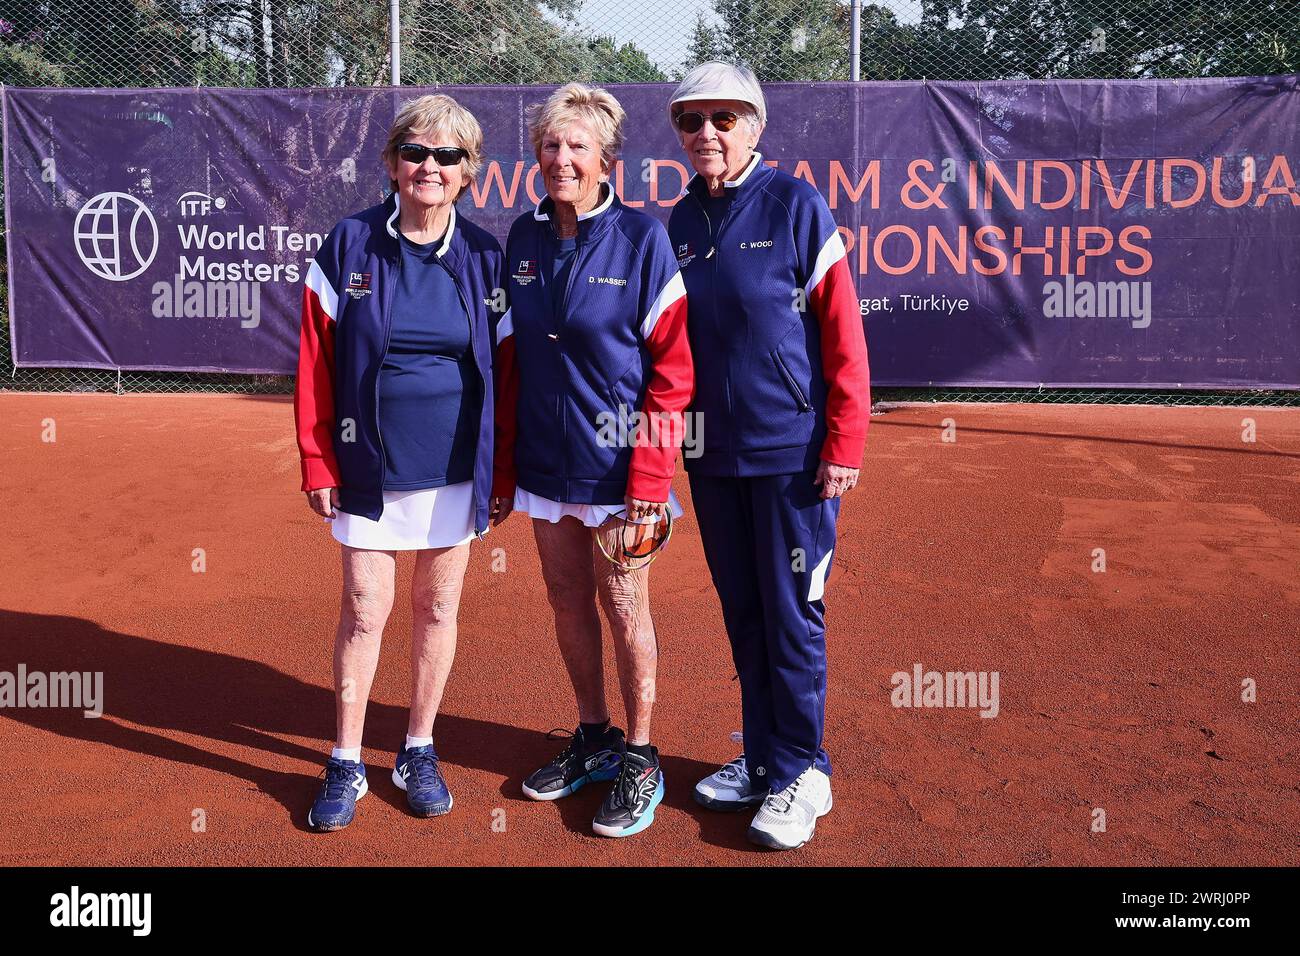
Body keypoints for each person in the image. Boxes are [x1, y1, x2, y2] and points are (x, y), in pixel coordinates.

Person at [666, 62, 870, 850]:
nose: (707, 133)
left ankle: (804, 771)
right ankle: (761, 758)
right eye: (692, 120)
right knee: (744, 612)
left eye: (724, 118)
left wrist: (843, 441)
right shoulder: (681, 221)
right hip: (712, 456)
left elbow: (842, 331)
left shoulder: (795, 205)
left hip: (792, 456)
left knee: (791, 615)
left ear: (754, 126)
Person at [294, 94, 504, 831]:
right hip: (367, 463)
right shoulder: (348, 244)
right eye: (416, 152)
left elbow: (506, 369)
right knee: (364, 609)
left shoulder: (484, 257)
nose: (430, 166)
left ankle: (417, 748)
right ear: (391, 163)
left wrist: (501, 471)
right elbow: (315, 360)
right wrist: (318, 459)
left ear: (468, 172)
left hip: (455, 466)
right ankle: (346, 759)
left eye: (448, 156)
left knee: (437, 608)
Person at [491, 83, 694, 837]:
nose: (561, 159)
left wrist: (651, 478)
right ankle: (594, 736)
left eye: (577, 146)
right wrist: (505, 468)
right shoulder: (522, 238)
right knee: (566, 599)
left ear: (606, 159)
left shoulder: (642, 240)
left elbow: (672, 371)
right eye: (550, 145)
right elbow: (509, 362)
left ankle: (641, 755)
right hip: (546, 465)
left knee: (624, 603)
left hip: (618, 470)